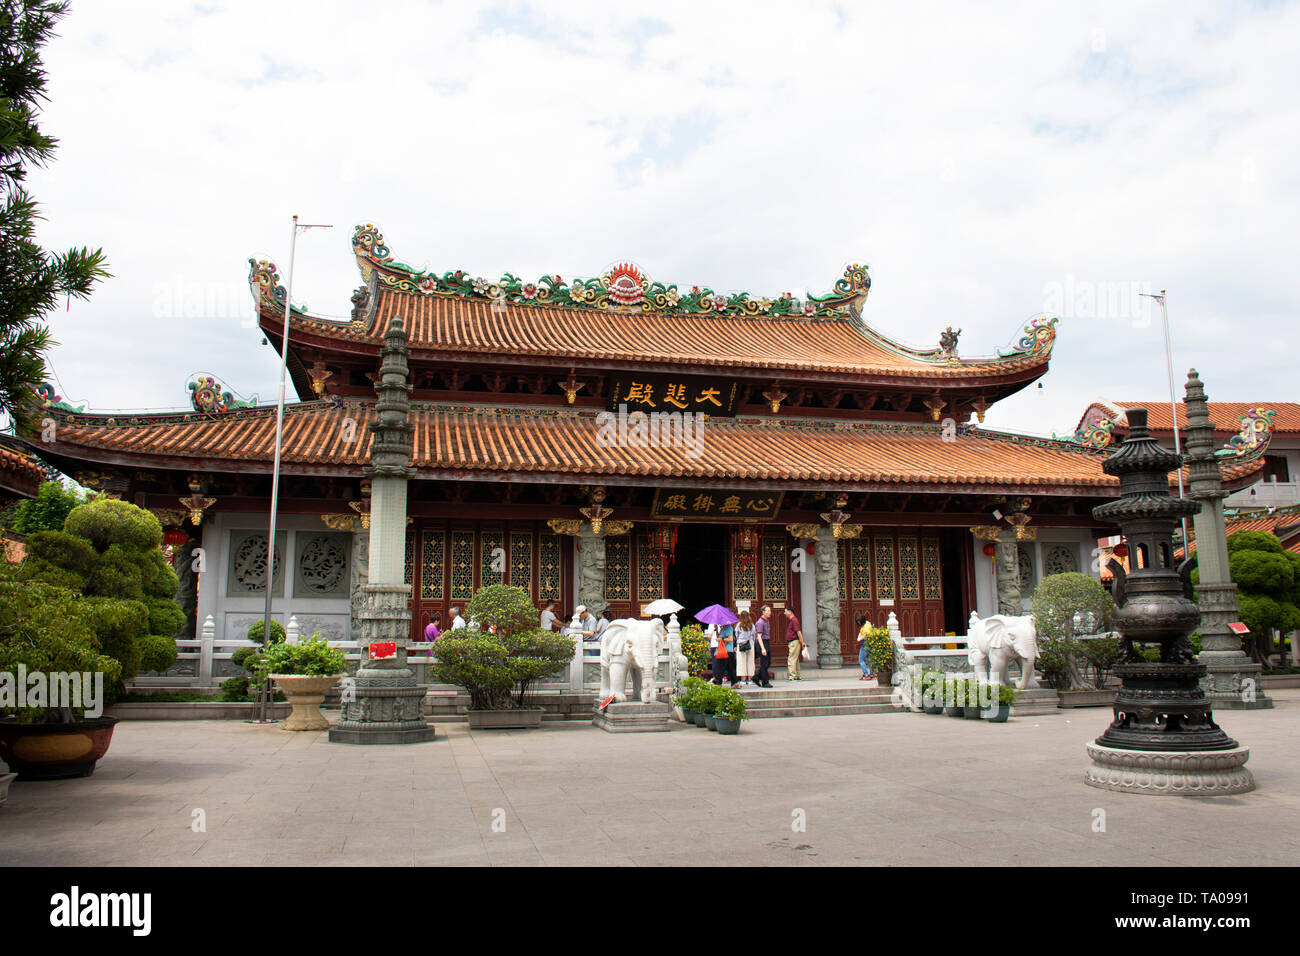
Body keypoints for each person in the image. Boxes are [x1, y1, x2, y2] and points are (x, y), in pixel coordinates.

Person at [734, 610, 757, 686]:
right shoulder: (752, 625)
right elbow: (754, 635)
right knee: (750, 661)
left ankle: (743, 679)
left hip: (741, 645)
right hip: (750, 644)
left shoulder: (739, 625)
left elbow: (736, 635)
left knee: (741, 662)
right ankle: (749, 679)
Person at [753, 605, 773, 688]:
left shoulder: (766, 621)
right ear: (763, 612)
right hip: (762, 643)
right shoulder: (760, 622)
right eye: (767, 611)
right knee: (764, 663)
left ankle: (757, 676)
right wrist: (763, 648)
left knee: (768, 662)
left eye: (770, 611)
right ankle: (765, 682)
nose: (769, 613)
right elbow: (759, 636)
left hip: (767, 642)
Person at [784, 607, 805, 681]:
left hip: (794, 641)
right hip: (794, 642)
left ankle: (792, 675)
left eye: (785, 611)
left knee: (791, 658)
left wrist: (802, 641)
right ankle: (797, 674)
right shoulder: (792, 620)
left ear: (790, 612)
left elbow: (798, 631)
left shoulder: (794, 620)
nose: (784, 613)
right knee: (795, 659)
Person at [856, 614, 874, 681]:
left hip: (865, 644)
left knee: (861, 660)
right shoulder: (868, 624)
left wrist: (859, 639)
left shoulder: (865, 627)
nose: (859, 623)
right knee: (869, 660)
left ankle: (866, 674)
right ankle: (872, 674)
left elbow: (866, 635)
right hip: (870, 644)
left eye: (859, 622)